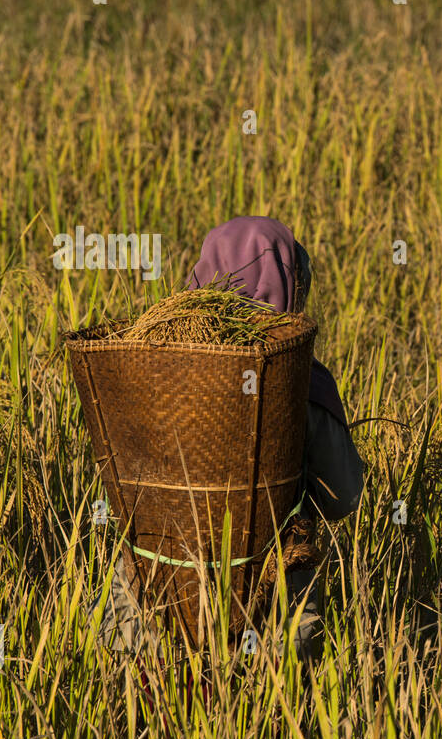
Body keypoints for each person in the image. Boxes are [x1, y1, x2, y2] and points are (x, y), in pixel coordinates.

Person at [97, 216, 364, 657]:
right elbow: (344, 495)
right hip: (271, 624)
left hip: (143, 615)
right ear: (288, 285)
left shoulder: (149, 368)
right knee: (267, 726)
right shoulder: (300, 384)